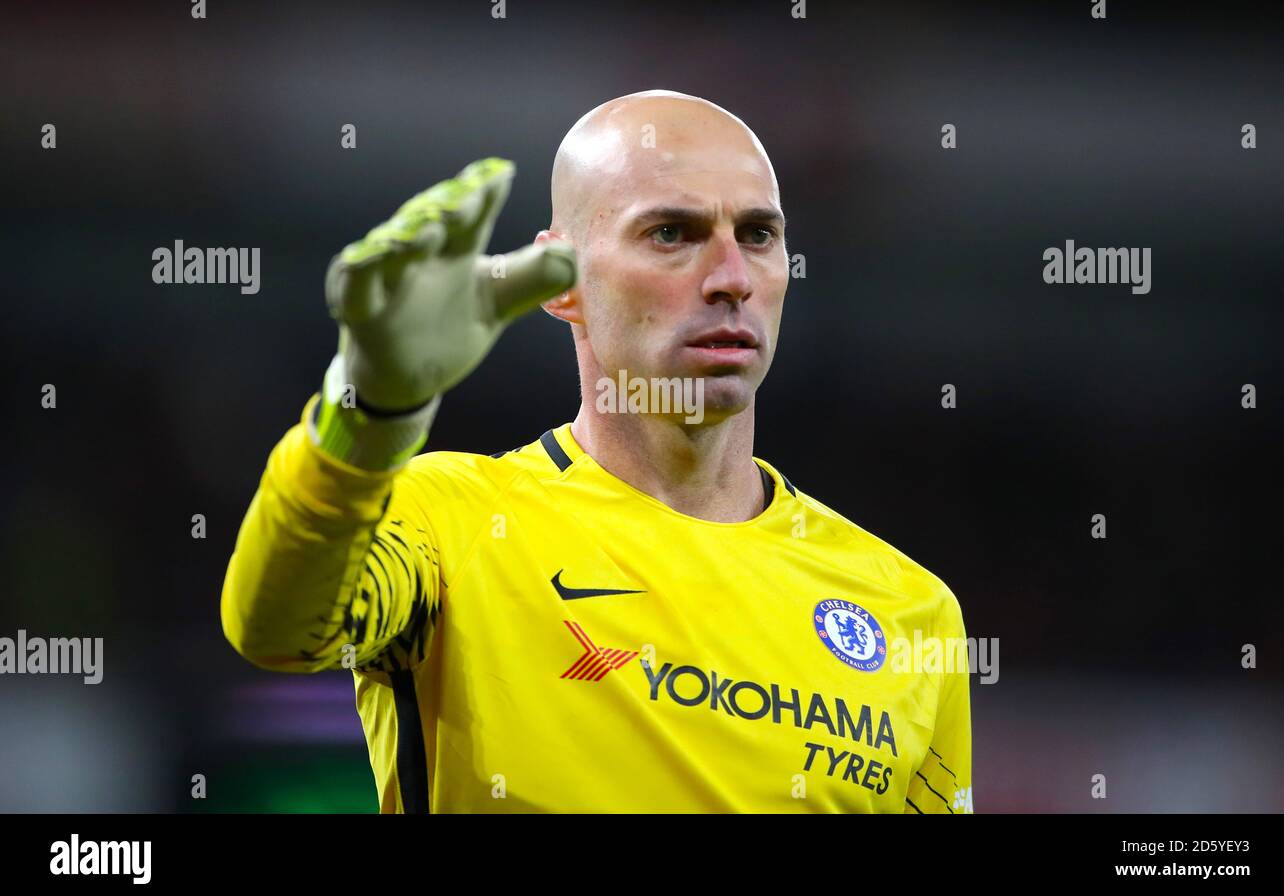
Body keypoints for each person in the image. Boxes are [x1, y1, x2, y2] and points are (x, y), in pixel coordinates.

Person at [221, 89, 972, 814]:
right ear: (562, 278)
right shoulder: (449, 522)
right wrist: (371, 407)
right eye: (670, 233)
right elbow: (277, 633)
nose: (731, 280)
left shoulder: (909, 609)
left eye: (757, 235)